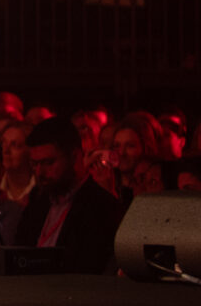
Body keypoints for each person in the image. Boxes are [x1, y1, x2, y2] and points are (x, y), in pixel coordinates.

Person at [11, 115, 128, 273]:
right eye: (34, 164)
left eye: (48, 162)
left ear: (74, 157)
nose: (39, 172)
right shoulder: (38, 203)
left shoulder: (101, 207)